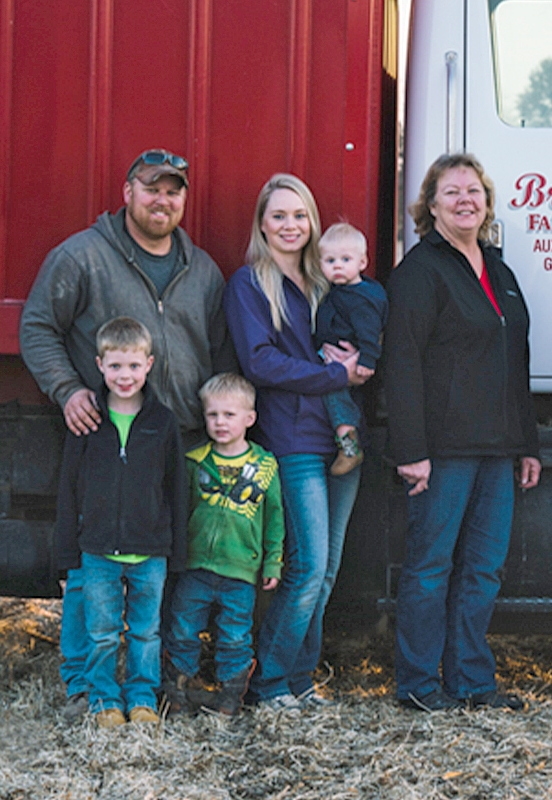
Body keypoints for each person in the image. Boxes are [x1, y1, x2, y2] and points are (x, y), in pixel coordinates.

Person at [19, 148, 227, 720]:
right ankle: (84, 684)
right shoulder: (83, 256)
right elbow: (38, 325)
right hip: (107, 437)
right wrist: (68, 390)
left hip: (178, 439)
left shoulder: (202, 269)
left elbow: (220, 352)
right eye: (152, 188)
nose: (163, 200)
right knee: (92, 572)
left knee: (164, 568)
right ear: (127, 191)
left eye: (174, 191)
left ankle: (149, 683)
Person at [386, 153, 541, 712]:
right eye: (451, 193)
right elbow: (400, 365)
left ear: (487, 201)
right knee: (430, 568)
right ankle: (419, 685)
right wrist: (411, 451)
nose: (465, 200)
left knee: (483, 569)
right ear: (431, 206)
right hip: (443, 451)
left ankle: (472, 681)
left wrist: (527, 443)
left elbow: (516, 358)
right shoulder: (419, 272)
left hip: (498, 451)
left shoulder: (499, 271)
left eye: (473, 191)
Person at [225, 173, 367, 711]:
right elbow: (259, 361)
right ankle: (268, 684)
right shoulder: (249, 284)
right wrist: (336, 376)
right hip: (291, 440)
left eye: (300, 215)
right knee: (304, 567)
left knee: (327, 571)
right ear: (262, 223)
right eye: (279, 215)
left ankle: (300, 681)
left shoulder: (328, 281)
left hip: (340, 438)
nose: (290, 225)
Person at [53, 317, 187, 728]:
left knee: (145, 633)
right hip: (98, 551)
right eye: (115, 367)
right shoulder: (88, 422)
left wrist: (176, 552)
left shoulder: (163, 423)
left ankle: (142, 697)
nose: (124, 376)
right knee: (103, 632)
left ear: (149, 364)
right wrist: (66, 554)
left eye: (133, 366)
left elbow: (176, 489)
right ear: (99, 365)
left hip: (149, 552)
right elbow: (69, 488)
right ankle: (104, 700)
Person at [163, 373, 285, 718]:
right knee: (183, 630)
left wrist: (272, 562)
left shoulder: (264, 466)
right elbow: (180, 510)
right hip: (196, 567)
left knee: (234, 637)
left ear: (250, 419)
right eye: (213, 415)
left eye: (229, 415)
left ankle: (229, 699)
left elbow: (274, 518)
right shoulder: (195, 461)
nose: (220, 422)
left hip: (240, 570)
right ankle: (177, 696)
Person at [314, 222, 388, 476]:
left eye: (345, 259)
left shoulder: (360, 298)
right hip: (338, 357)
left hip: (350, 363)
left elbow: (370, 333)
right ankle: (357, 439)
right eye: (330, 260)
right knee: (349, 401)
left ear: (362, 262)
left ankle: (348, 446)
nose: (337, 265)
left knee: (331, 390)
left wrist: (366, 360)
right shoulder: (340, 291)